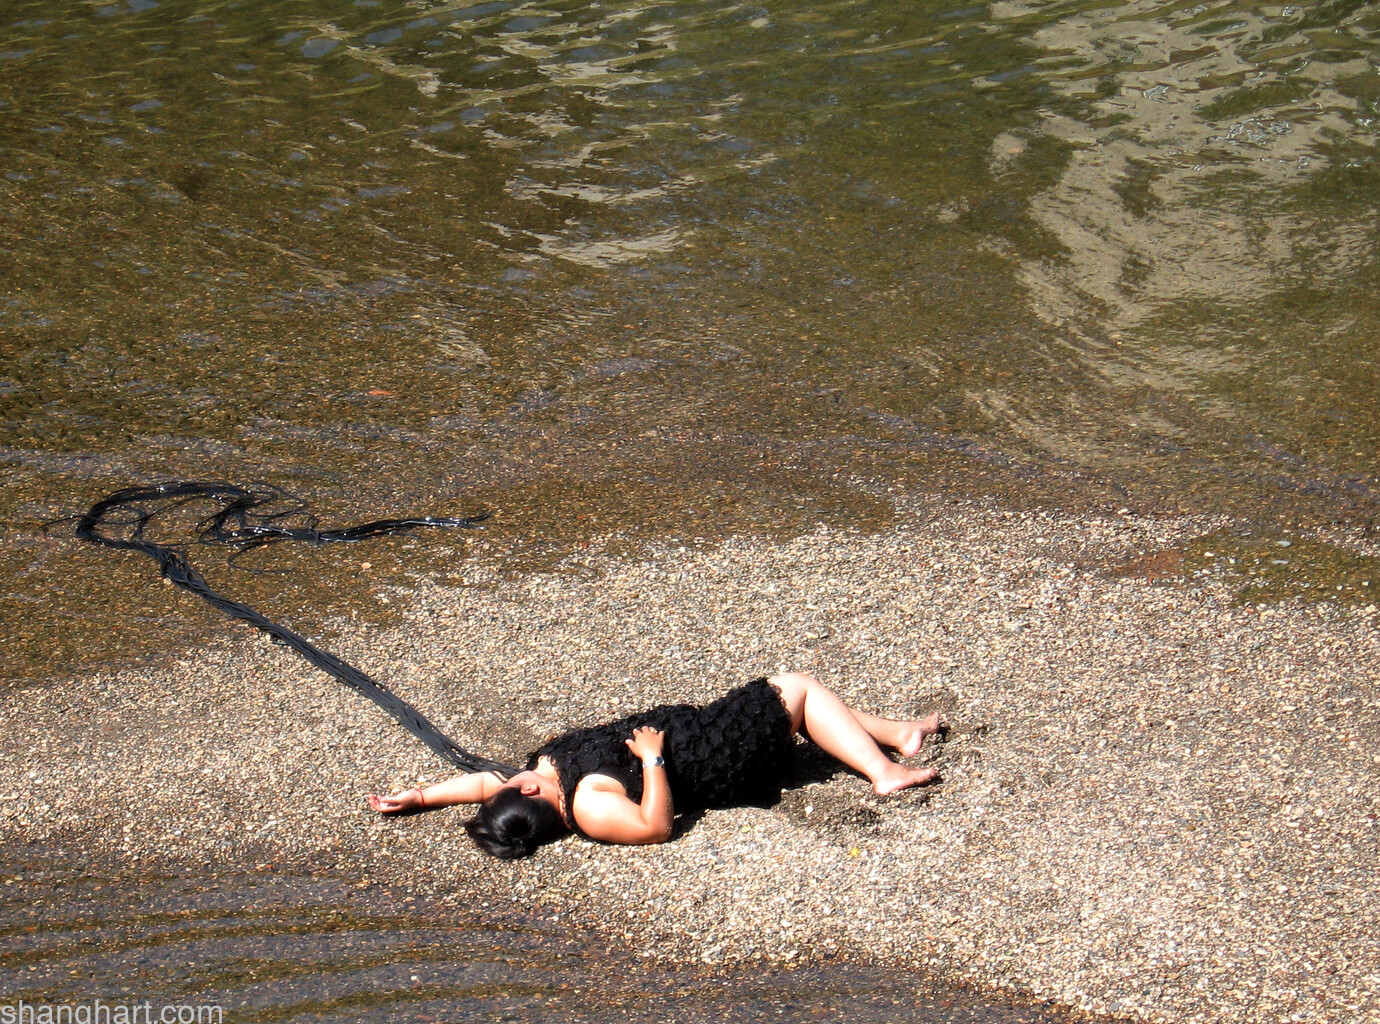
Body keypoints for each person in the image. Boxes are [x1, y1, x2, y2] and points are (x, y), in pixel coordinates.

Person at [367, 672, 943, 859]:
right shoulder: (591, 806)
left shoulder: (544, 782)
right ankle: (884, 772)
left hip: (698, 730)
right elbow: (655, 826)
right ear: (538, 798)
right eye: (518, 784)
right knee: (796, 690)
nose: (511, 776)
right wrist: (654, 759)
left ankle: (900, 734)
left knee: (798, 699)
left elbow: (484, 785)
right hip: (718, 759)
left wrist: (419, 797)